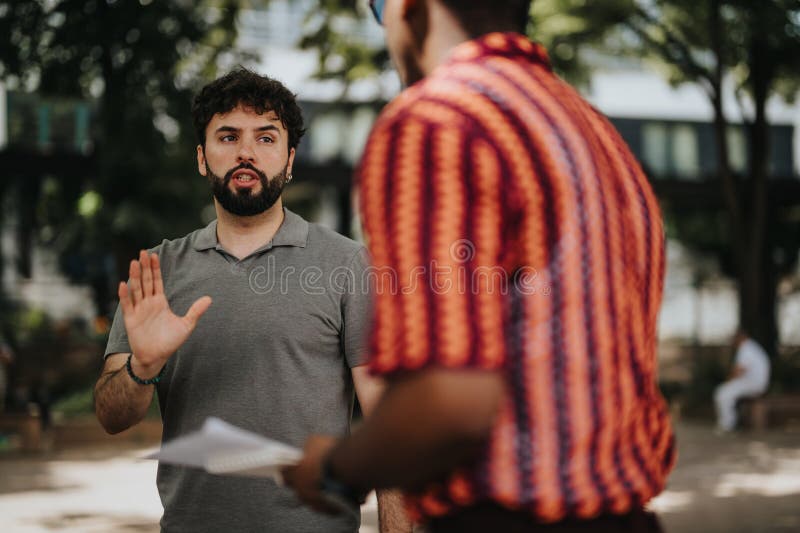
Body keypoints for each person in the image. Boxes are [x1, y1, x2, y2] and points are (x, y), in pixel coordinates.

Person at [283, 1, 676, 531]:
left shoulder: (437, 119)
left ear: (409, 9)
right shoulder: (599, 136)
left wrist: (333, 467)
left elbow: (450, 405)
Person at [94, 68, 407, 533]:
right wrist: (143, 366)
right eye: (227, 136)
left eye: (265, 138)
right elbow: (111, 417)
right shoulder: (158, 271)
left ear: (290, 158)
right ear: (202, 158)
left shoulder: (347, 263)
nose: (246, 152)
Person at [714, 330, 771, 432]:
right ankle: (729, 423)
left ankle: (727, 425)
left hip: (752, 384)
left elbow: (739, 370)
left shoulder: (746, 349)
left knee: (723, 394)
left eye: (733, 340)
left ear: (739, 338)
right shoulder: (752, 347)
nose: (732, 343)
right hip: (754, 383)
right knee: (725, 392)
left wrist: (728, 380)